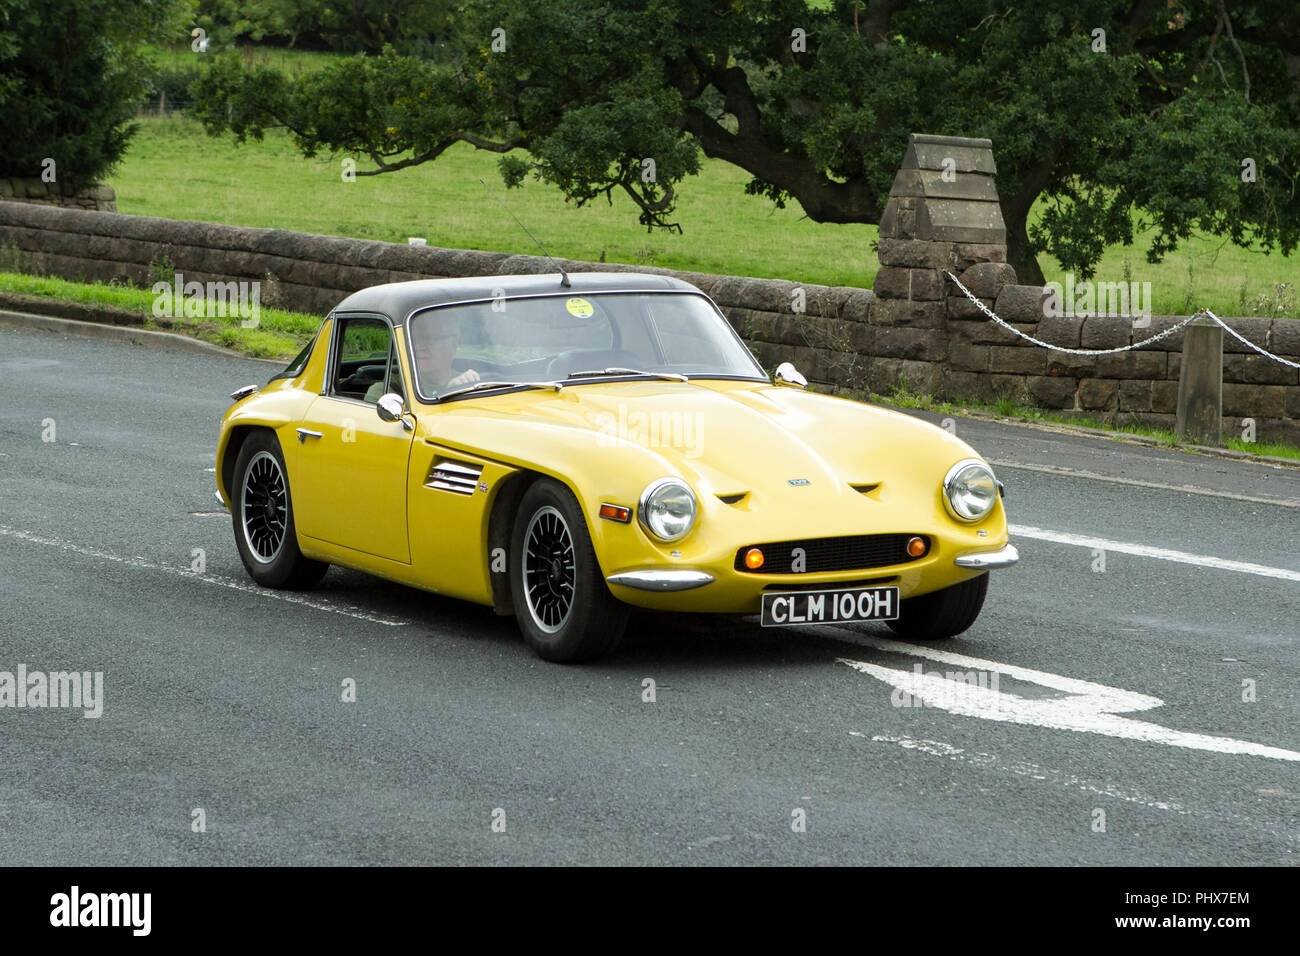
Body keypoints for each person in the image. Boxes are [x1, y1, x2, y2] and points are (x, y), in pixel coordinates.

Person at [365, 314, 479, 403]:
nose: (418, 347)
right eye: (414, 338)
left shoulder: (470, 384)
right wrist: (449, 394)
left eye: (430, 338)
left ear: (453, 344)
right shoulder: (385, 393)